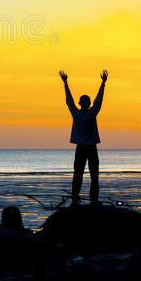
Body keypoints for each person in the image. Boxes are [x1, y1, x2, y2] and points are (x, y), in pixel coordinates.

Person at [58, 69, 108, 206]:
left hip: (85, 148)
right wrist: (103, 83)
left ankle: (80, 198)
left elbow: (70, 101)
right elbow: (97, 102)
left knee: (82, 174)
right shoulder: (86, 113)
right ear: (87, 103)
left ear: (82, 103)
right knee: (89, 175)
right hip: (88, 148)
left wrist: (66, 83)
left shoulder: (81, 114)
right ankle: (86, 199)